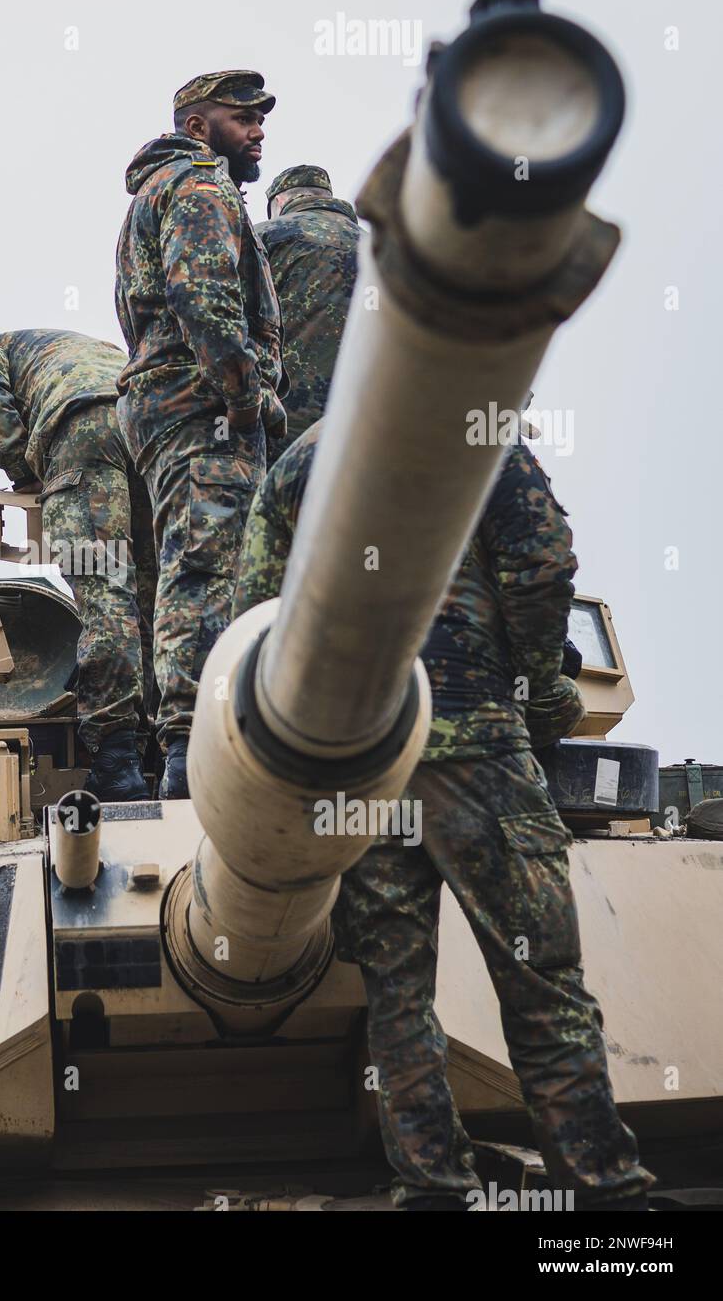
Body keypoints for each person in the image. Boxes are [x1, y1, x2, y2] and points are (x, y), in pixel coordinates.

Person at [234, 426, 653, 1211]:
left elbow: (255, 617)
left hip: (362, 762)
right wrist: (535, 691)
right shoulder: (474, 421)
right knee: (543, 984)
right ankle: (603, 1200)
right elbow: (543, 561)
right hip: (479, 744)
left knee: (397, 994)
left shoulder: (296, 463)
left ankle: (433, 1187)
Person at [114, 70, 286, 798]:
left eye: (259, 119)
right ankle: (191, 747)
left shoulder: (157, 194)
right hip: (203, 410)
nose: (257, 131)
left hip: (169, 407)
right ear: (197, 126)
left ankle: (189, 736)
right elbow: (203, 296)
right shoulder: (198, 186)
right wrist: (246, 401)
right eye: (241, 117)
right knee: (210, 567)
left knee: (192, 562)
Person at [0, 330, 156, 800]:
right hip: (149, 423)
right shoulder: (88, 347)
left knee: (105, 589)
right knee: (160, 593)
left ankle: (116, 759)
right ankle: (175, 748)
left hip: (83, 430)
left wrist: (24, 466)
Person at [254, 164, 361, 460]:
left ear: (279, 203)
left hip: (284, 427)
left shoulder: (263, 237)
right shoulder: (383, 249)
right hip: (369, 424)